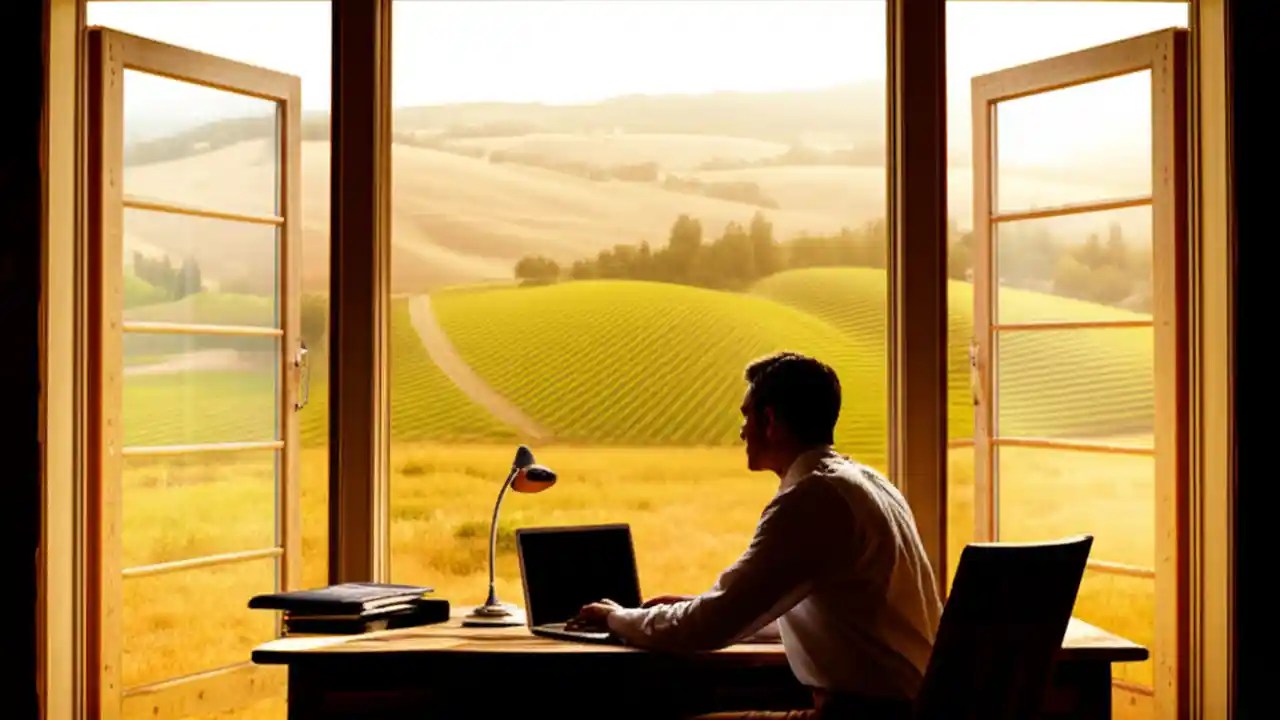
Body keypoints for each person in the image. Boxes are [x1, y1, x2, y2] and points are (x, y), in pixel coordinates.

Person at [568, 351, 943, 719]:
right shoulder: (867, 482)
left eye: (747, 415)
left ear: (770, 420)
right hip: (906, 709)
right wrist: (691, 607)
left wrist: (616, 618)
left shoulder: (811, 500)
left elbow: (707, 627)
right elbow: (821, 610)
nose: (742, 430)